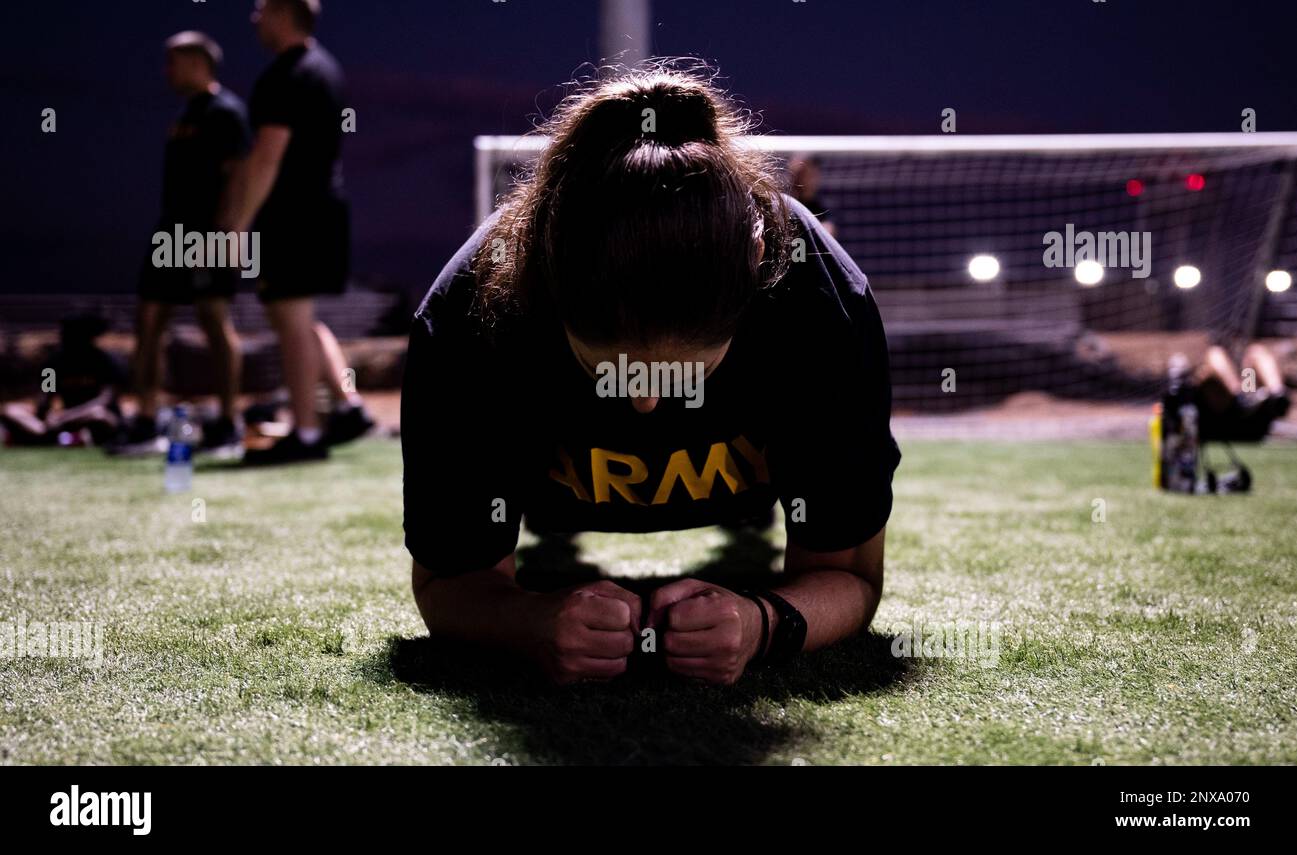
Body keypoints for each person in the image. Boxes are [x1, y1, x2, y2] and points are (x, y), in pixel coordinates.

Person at [403, 68, 900, 686]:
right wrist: (527, 622)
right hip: (545, 492)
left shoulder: (820, 304)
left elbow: (850, 575)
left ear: (756, 277)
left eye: (686, 373)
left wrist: (764, 622)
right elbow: (448, 581)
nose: (644, 406)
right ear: (547, 286)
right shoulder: (472, 315)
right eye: (607, 368)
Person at [223, 0, 372, 465]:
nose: (254, 18)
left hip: (293, 213)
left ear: (283, 14)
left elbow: (267, 156)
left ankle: (306, 434)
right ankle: (347, 406)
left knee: (289, 319)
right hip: (321, 208)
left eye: (261, 9)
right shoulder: (324, 66)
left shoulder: (287, 74)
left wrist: (238, 225)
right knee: (297, 317)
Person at [115, 31, 249, 455]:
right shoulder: (185, 114)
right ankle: (145, 421)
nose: (167, 71)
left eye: (173, 62)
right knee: (149, 318)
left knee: (213, 318)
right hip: (170, 231)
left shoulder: (226, 111)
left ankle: (228, 423)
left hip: (211, 232)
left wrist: (231, 232)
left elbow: (240, 175)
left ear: (197, 62)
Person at [2, 314, 124, 447]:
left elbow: (105, 400)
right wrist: (47, 416)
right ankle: (53, 436)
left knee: (98, 414)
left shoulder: (105, 361)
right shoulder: (52, 365)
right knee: (11, 410)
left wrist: (66, 415)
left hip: (88, 415)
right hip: (65, 420)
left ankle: (48, 437)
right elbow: (45, 398)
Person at [1184, 341, 1291, 442]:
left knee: (1255, 352)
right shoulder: (1212, 364)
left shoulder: (1246, 371)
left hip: (1250, 419)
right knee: (1215, 353)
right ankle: (1240, 395)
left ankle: (1277, 394)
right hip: (1220, 421)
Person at [787, 154, 836, 238]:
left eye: (811, 175)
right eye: (803, 175)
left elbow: (827, 232)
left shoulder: (823, 206)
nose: (808, 180)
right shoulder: (786, 203)